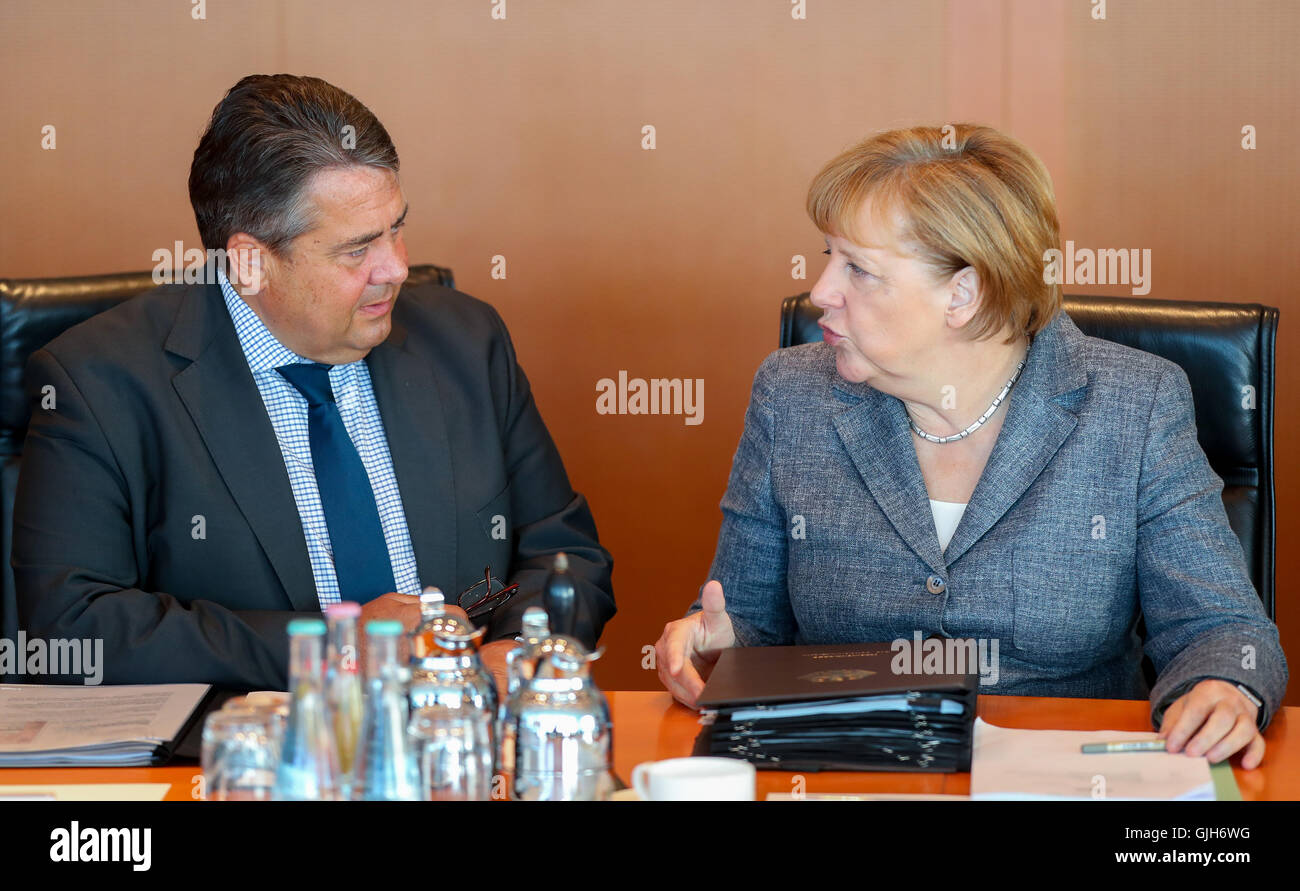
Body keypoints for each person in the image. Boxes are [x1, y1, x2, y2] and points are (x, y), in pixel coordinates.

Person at [655, 124, 1286, 769]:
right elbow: (750, 619)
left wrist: (1223, 686)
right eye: (826, 257)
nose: (820, 292)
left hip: (1066, 773)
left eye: (859, 270)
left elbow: (1222, 630)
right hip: (854, 769)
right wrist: (714, 644)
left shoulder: (1132, 403)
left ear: (963, 293)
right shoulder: (792, 396)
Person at [12, 74, 615, 691]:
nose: (398, 267)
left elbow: (565, 554)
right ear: (249, 261)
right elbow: (73, 628)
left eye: (396, 228)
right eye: (358, 249)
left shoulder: (467, 342)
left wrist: (512, 654)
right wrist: (336, 650)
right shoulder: (99, 382)